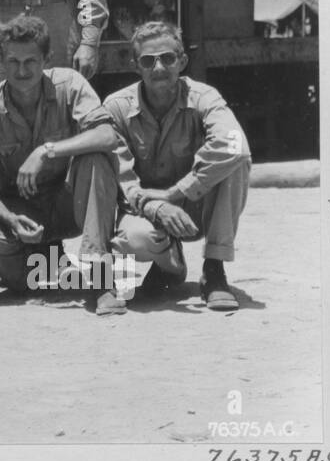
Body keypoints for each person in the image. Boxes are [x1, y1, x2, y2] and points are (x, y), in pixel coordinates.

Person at [0, 15, 126, 316]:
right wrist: (10, 220)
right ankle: (46, 269)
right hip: (24, 211)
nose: (22, 71)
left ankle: (101, 279)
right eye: (13, 62)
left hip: (70, 203)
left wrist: (46, 151)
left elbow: (106, 135)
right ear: (0, 59)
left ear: (47, 59)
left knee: (96, 158)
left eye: (31, 61)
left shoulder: (70, 84)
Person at [104, 21, 250, 311]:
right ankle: (169, 265)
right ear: (136, 66)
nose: (159, 67)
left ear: (182, 61)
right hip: (143, 209)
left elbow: (235, 144)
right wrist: (155, 206)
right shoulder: (117, 107)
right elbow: (119, 174)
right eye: (148, 60)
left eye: (168, 58)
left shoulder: (204, 97)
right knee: (135, 238)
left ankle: (214, 268)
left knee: (237, 162)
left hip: (193, 207)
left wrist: (175, 192)